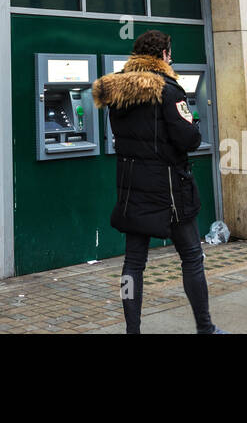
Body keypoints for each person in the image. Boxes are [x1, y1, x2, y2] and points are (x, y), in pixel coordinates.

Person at [93, 29, 224, 334]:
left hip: (132, 188)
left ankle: (132, 331)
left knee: (133, 264)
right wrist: (194, 123)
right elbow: (188, 139)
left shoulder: (117, 92)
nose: (172, 57)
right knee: (192, 257)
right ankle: (205, 327)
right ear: (163, 54)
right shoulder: (169, 90)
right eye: (170, 53)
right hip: (170, 190)